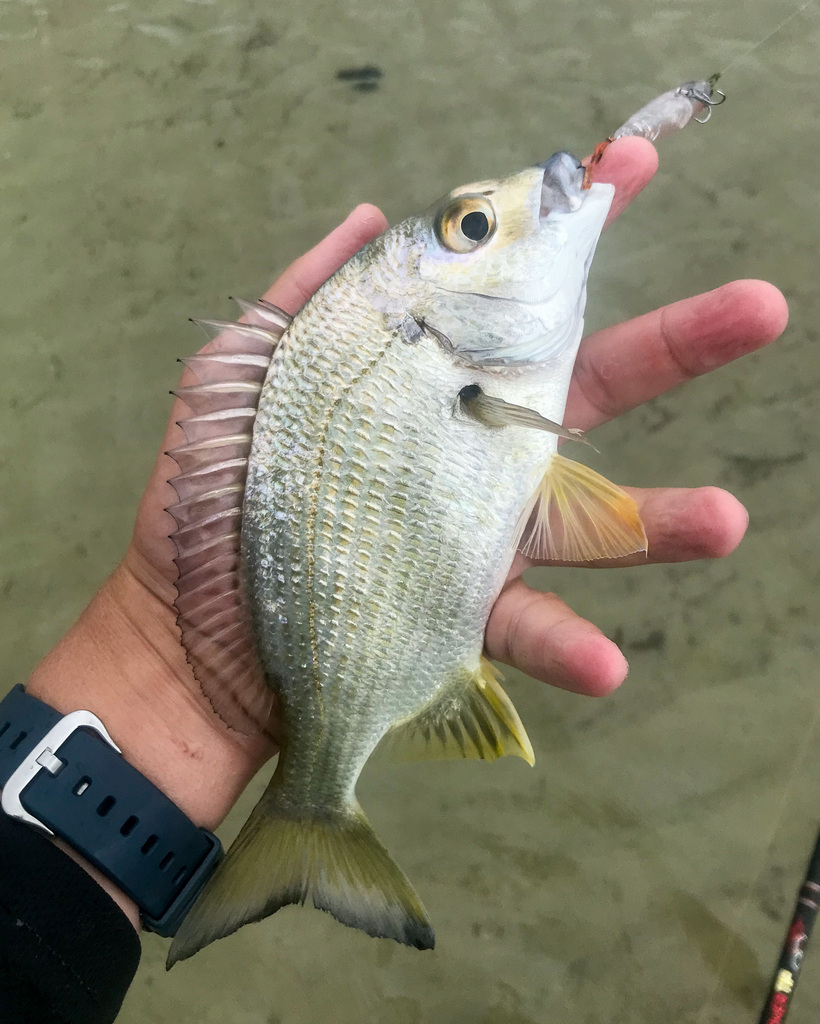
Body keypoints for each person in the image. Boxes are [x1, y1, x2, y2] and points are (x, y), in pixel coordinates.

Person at [0, 138, 788, 1022]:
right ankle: (314, 812)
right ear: (422, 310)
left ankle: (310, 809)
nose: (531, 203)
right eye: (477, 226)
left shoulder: (454, 357)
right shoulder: (433, 351)